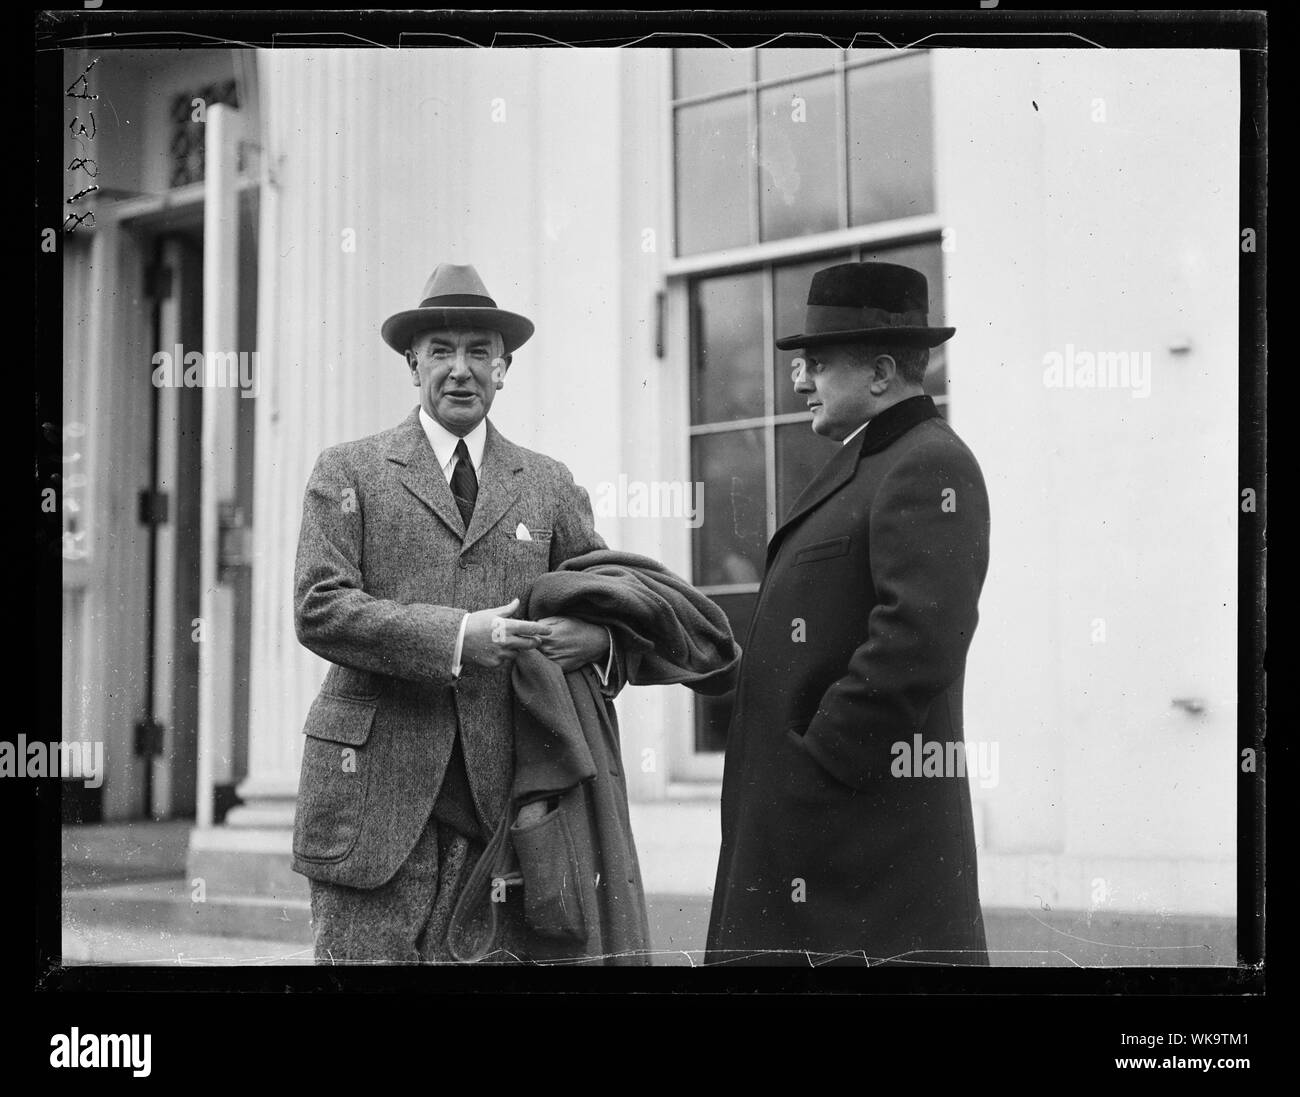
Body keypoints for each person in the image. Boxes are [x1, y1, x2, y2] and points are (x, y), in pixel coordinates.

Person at [292, 263, 618, 963]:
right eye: (441, 351)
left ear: (505, 367)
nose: (460, 369)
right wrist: (455, 638)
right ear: (413, 363)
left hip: (503, 817)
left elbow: (610, 596)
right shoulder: (348, 471)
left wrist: (597, 639)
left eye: (479, 352)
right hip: (370, 812)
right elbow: (319, 606)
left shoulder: (549, 484)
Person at [706, 261, 991, 966]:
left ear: (882, 371)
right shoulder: (872, 462)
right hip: (821, 849)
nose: (798, 379)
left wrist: (816, 764)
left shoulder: (928, 465)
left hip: (858, 858)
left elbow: (917, 643)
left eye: (817, 362)